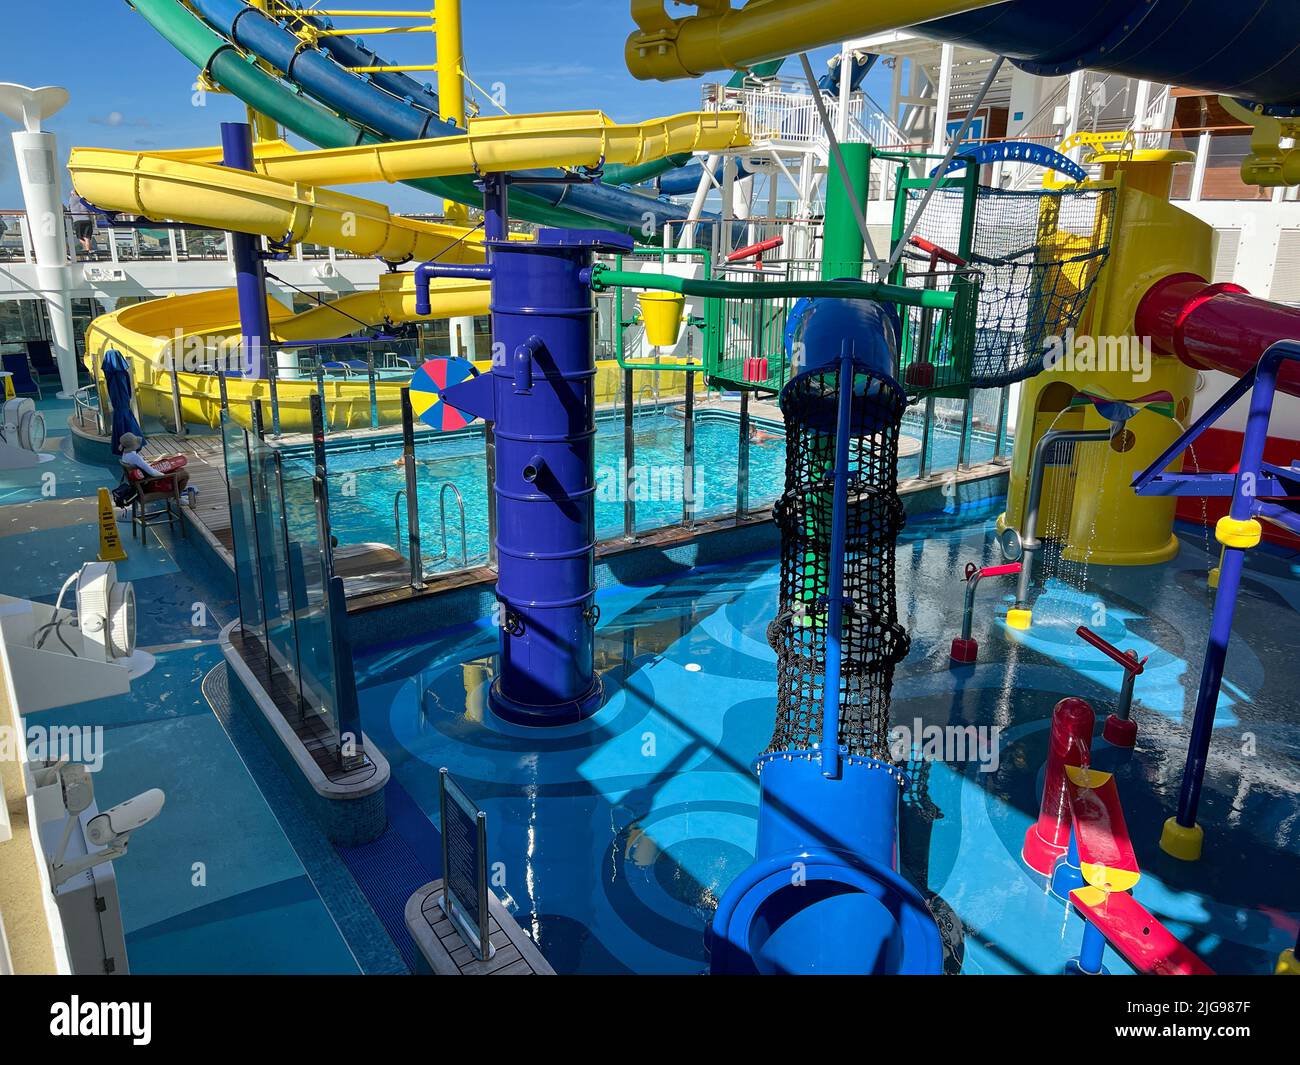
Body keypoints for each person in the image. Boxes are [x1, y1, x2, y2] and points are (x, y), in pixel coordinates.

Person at [119, 432, 191, 497]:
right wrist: (166, 475)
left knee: (179, 470)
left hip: (139, 485)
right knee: (185, 474)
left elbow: (143, 468)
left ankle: (176, 496)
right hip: (149, 485)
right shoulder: (135, 457)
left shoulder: (125, 455)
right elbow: (153, 473)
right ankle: (177, 497)